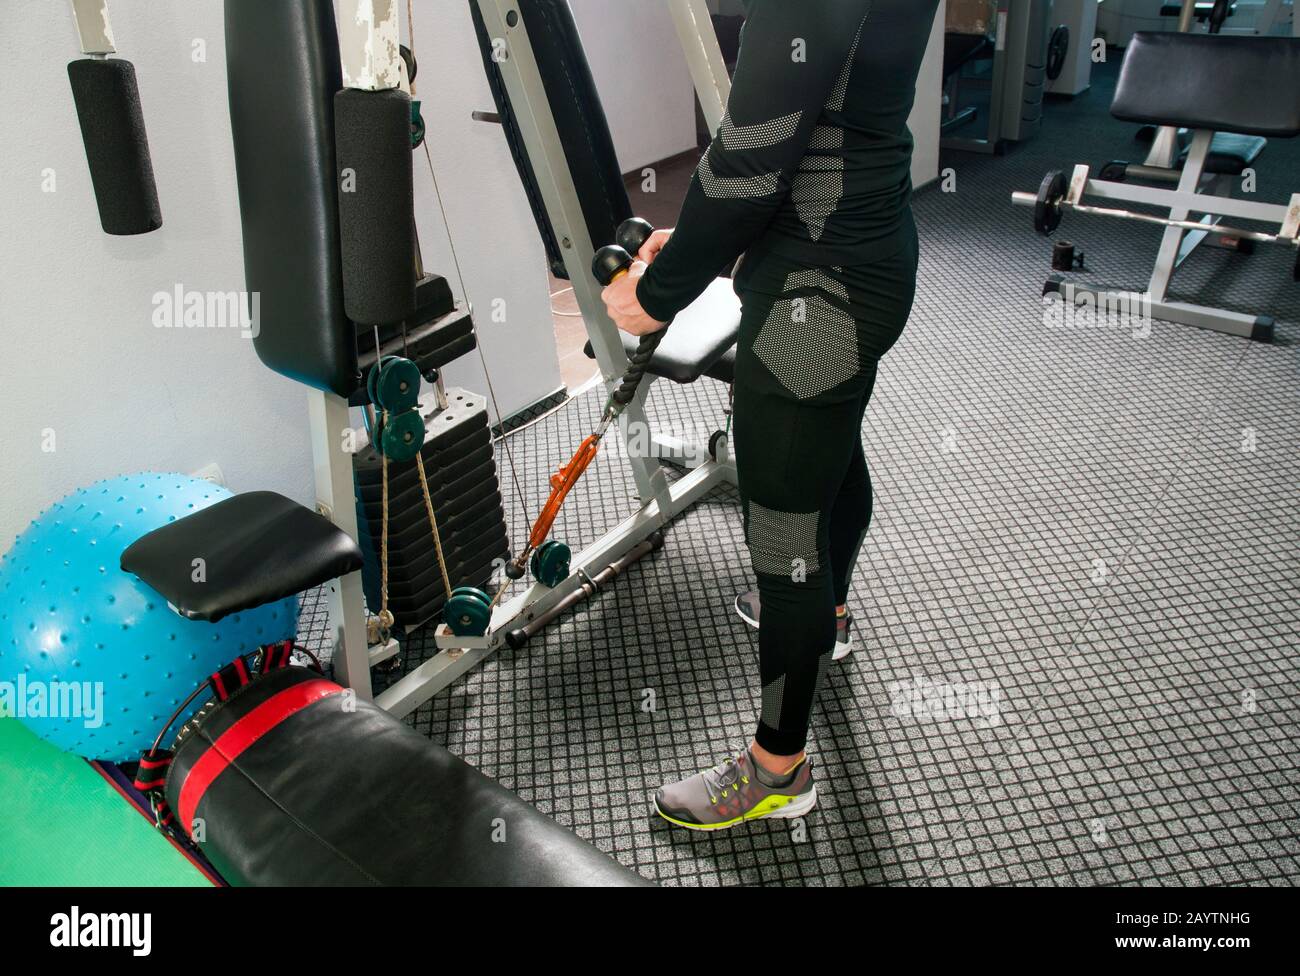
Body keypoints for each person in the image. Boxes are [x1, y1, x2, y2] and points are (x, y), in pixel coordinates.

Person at [601, 0, 941, 831]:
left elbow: (749, 162)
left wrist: (655, 294)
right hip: (867, 249)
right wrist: (706, 237)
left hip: (814, 296)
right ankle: (829, 616)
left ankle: (777, 768)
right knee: (831, 450)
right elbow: (817, 128)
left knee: (783, 535)